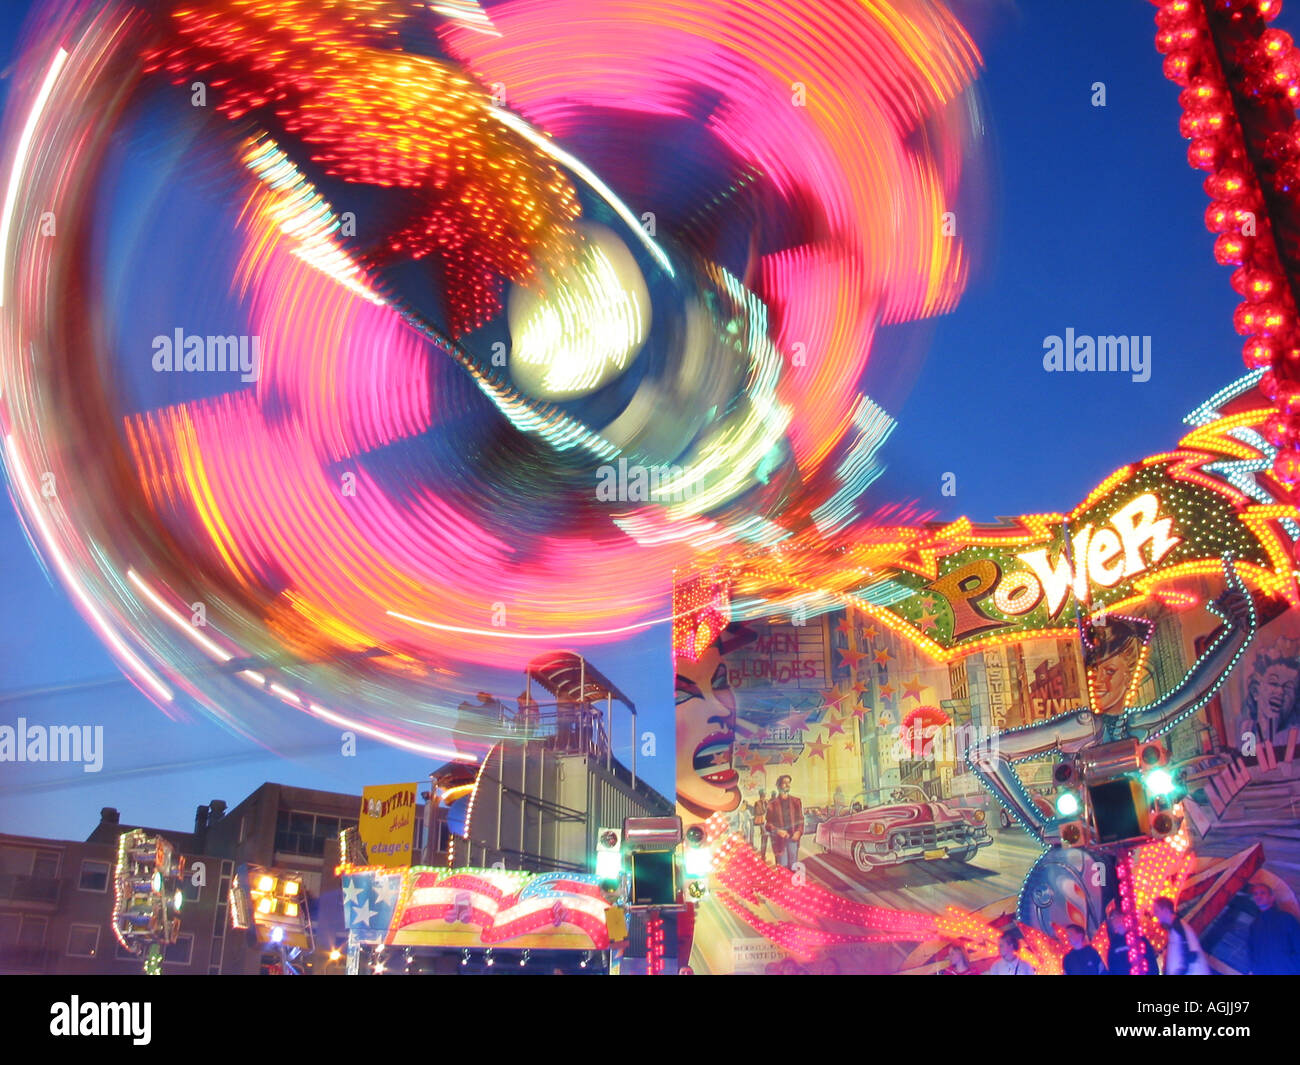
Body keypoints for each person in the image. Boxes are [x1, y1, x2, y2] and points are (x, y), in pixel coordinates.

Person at [1247, 881, 1300, 975]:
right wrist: (1254, 970)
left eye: (1262, 893)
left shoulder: (1286, 918)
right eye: (1255, 894)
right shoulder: (1254, 926)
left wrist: (1293, 967)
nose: (1258, 896)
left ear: (1272, 897)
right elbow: (1251, 953)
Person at [1153, 897, 1210, 975]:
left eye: (1156, 911)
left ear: (1165, 910)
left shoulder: (1179, 929)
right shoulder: (1176, 929)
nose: (1155, 915)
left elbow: (1186, 958)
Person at [1104, 909, 1159, 975]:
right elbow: (1112, 967)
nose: (1115, 920)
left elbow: (1151, 961)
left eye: (1117, 916)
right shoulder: (1113, 944)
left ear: (1123, 917)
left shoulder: (1138, 937)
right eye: (1112, 918)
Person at [766, 775, 803, 869]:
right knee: (782, 866)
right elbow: (768, 825)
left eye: (788, 782)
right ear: (778, 785)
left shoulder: (796, 801)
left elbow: (801, 819)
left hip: (793, 838)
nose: (787, 785)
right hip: (779, 840)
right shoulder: (772, 804)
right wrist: (778, 831)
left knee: (793, 866)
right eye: (784, 783)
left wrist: (798, 832)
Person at [751, 792, 768, 857]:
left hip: (766, 820)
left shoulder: (766, 802)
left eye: (764, 796)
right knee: (764, 835)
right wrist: (763, 812)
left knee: (765, 836)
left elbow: (768, 809)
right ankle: (762, 854)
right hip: (760, 820)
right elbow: (757, 811)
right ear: (761, 796)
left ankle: (763, 853)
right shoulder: (757, 803)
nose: (764, 798)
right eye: (763, 796)